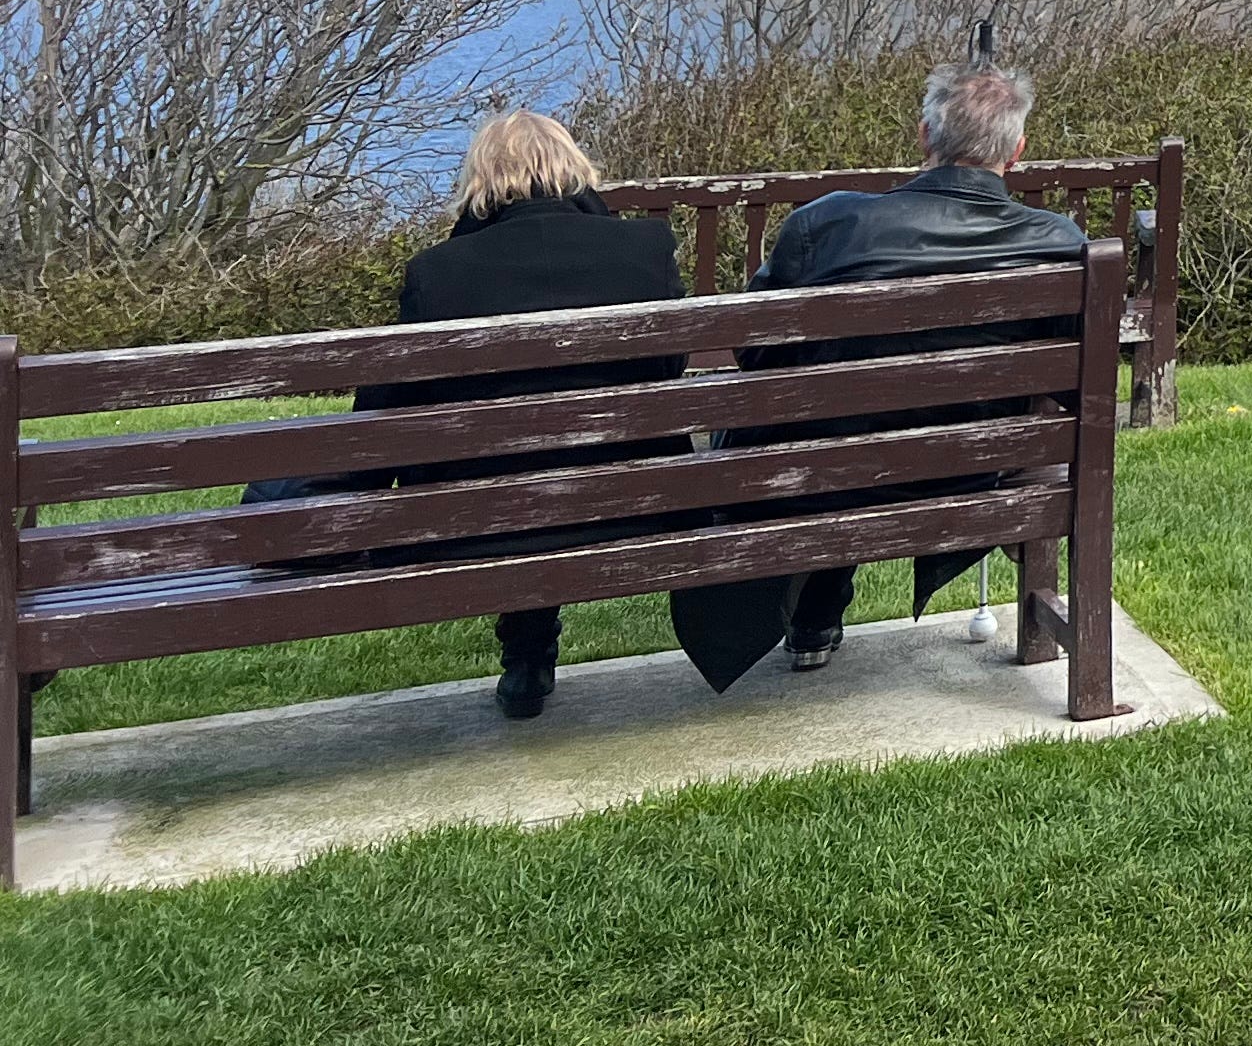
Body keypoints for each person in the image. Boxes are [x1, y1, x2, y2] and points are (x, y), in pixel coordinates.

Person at [738, 60, 1088, 673]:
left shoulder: (828, 224)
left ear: (925, 137)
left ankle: (815, 614)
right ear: (1018, 150)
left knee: (838, 425)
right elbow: (1074, 386)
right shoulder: (1059, 243)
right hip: (973, 467)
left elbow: (755, 352)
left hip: (829, 469)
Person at [359, 108, 686, 721]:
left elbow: (384, 419)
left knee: (521, 481)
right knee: (554, 472)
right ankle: (530, 654)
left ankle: (527, 658)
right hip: (633, 499)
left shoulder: (437, 274)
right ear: (574, 172)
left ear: (481, 183)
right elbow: (666, 372)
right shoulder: (643, 252)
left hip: (479, 518)